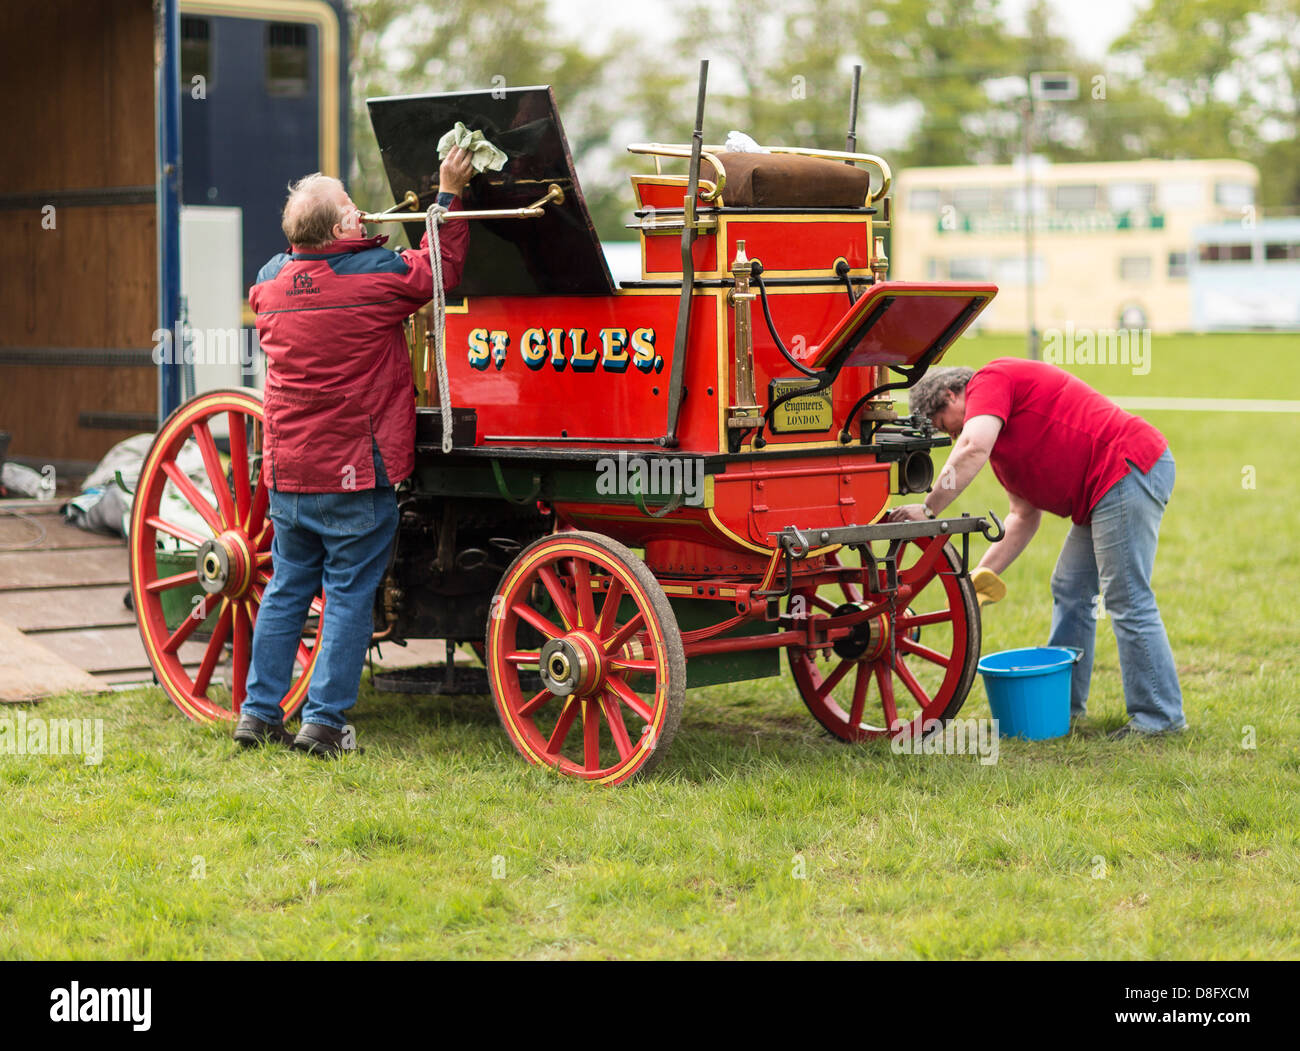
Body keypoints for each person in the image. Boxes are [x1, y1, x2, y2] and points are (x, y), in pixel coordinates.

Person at [234, 147, 475, 756]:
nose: (360, 210)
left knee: (288, 589)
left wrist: (357, 236)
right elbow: (436, 271)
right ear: (343, 226)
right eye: (350, 205)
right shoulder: (376, 275)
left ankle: (259, 715)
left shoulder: (267, 284)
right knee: (346, 596)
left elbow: (295, 265)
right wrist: (447, 193)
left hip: (290, 473)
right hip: (354, 474)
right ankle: (322, 723)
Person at [887, 359, 1186, 738]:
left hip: (1125, 466)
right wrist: (978, 578)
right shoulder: (1002, 451)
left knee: (1126, 595)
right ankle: (1065, 706)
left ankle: (1160, 718)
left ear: (951, 394)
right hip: (1102, 492)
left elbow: (972, 445)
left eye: (948, 425)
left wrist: (928, 509)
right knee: (1071, 588)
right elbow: (1022, 517)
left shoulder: (989, 380)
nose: (953, 436)